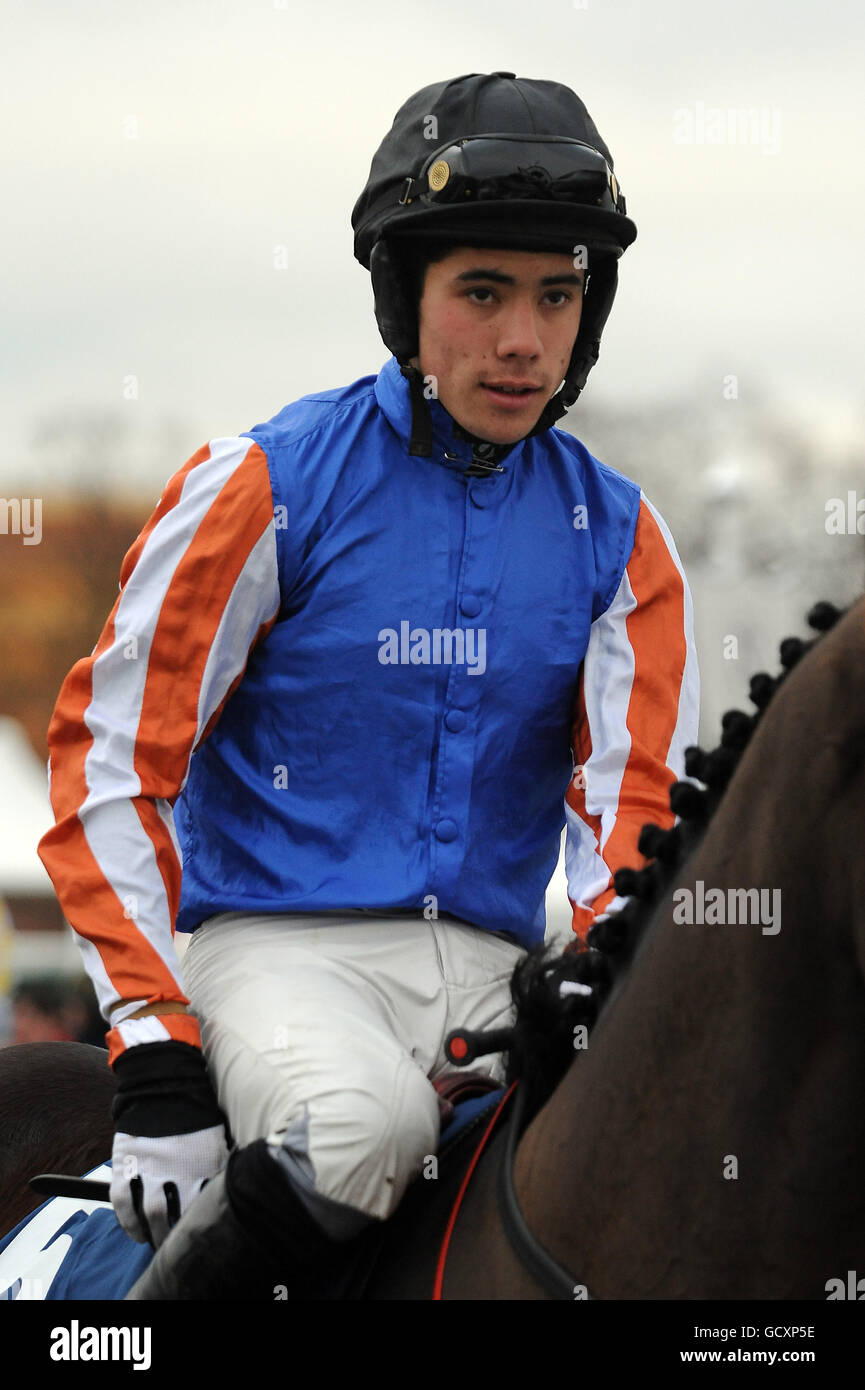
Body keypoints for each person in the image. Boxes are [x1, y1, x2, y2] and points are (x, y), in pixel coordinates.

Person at [37, 71, 699, 1299]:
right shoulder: (264, 484)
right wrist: (153, 1044)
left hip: (505, 975)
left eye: (557, 296)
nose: (522, 340)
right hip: (281, 959)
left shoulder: (624, 541)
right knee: (360, 1132)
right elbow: (111, 765)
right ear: (405, 298)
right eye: (482, 293)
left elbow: (636, 831)